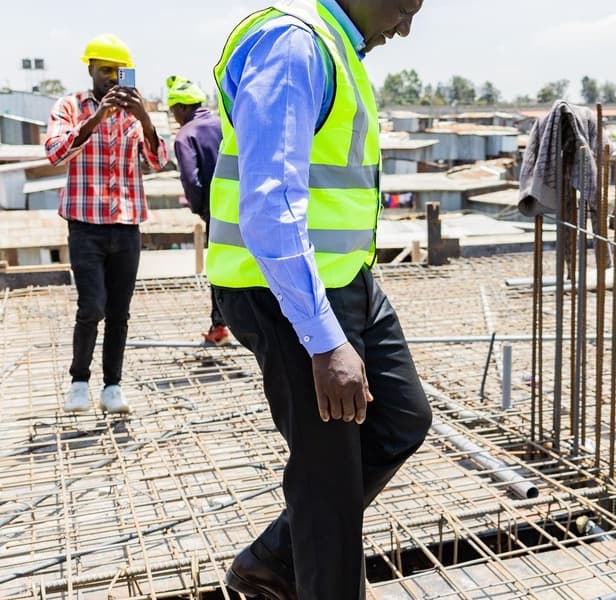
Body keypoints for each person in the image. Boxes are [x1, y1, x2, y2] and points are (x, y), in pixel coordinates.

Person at [208, 0, 431, 597]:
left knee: (402, 419)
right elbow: (269, 203)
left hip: (347, 280)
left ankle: (274, 558)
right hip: (283, 290)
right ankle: (300, 569)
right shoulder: (294, 43)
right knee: (329, 485)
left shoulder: (336, 47)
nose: (406, 26)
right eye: (404, 6)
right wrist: (325, 338)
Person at [45, 34, 169, 414]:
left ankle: (112, 386)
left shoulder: (136, 113)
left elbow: (159, 160)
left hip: (126, 224)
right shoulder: (70, 106)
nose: (112, 79)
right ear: (90, 70)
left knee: (119, 312)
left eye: (118, 72)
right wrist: (96, 119)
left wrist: (144, 118)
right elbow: (54, 153)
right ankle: (79, 381)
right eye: (104, 71)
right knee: (91, 307)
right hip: (86, 225)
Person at [166, 75, 229, 346]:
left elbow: (191, 180)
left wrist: (200, 207)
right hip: (247, 205)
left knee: (220, 269)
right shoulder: (223, 123)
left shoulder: (185, 136)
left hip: (218, 211)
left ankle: (220, 327)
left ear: (181, 107)